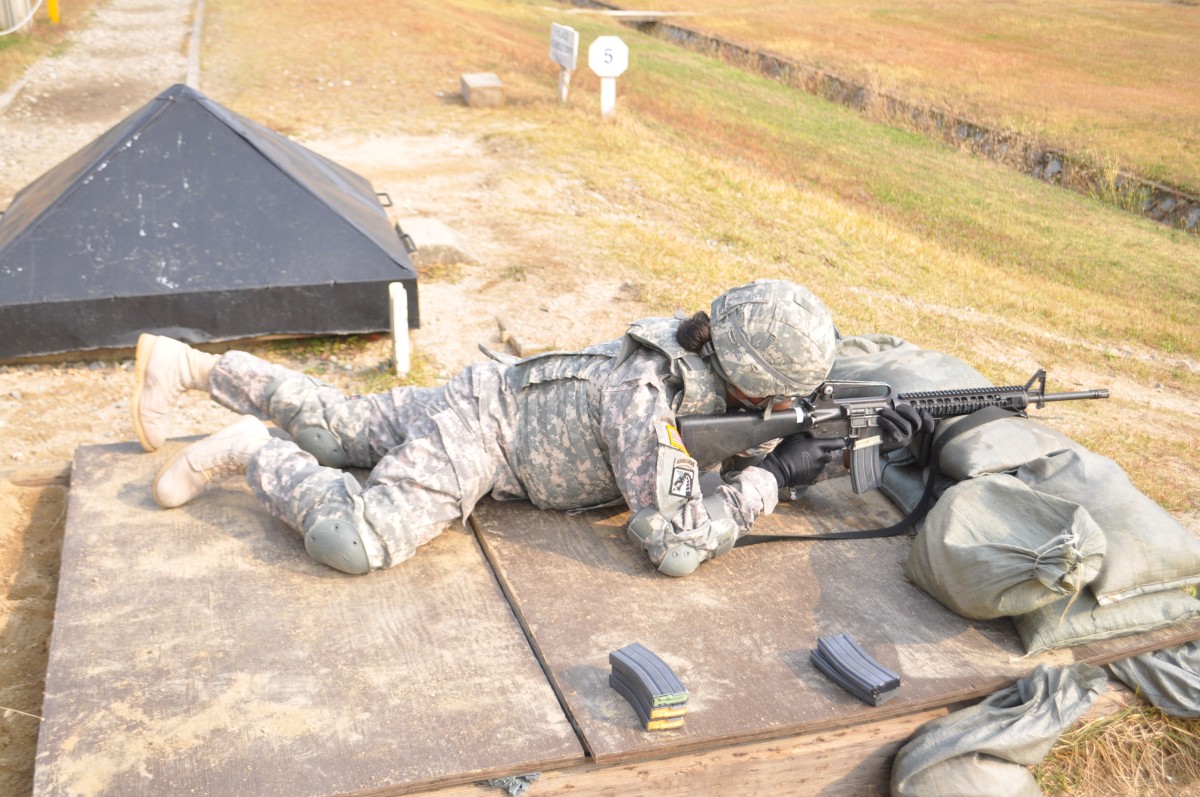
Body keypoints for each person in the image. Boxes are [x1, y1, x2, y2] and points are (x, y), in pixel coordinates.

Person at [133, 279, 927, 577]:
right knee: (356, 539)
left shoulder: (701, 363)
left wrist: (810, 444)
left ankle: (192, 366)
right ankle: (252, 451)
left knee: (341, 430)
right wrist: (778, 477)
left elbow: (715, 442)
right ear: (751, 378)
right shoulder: (647, 394)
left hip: (492, 391)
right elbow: (673, 541)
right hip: (487, 434)